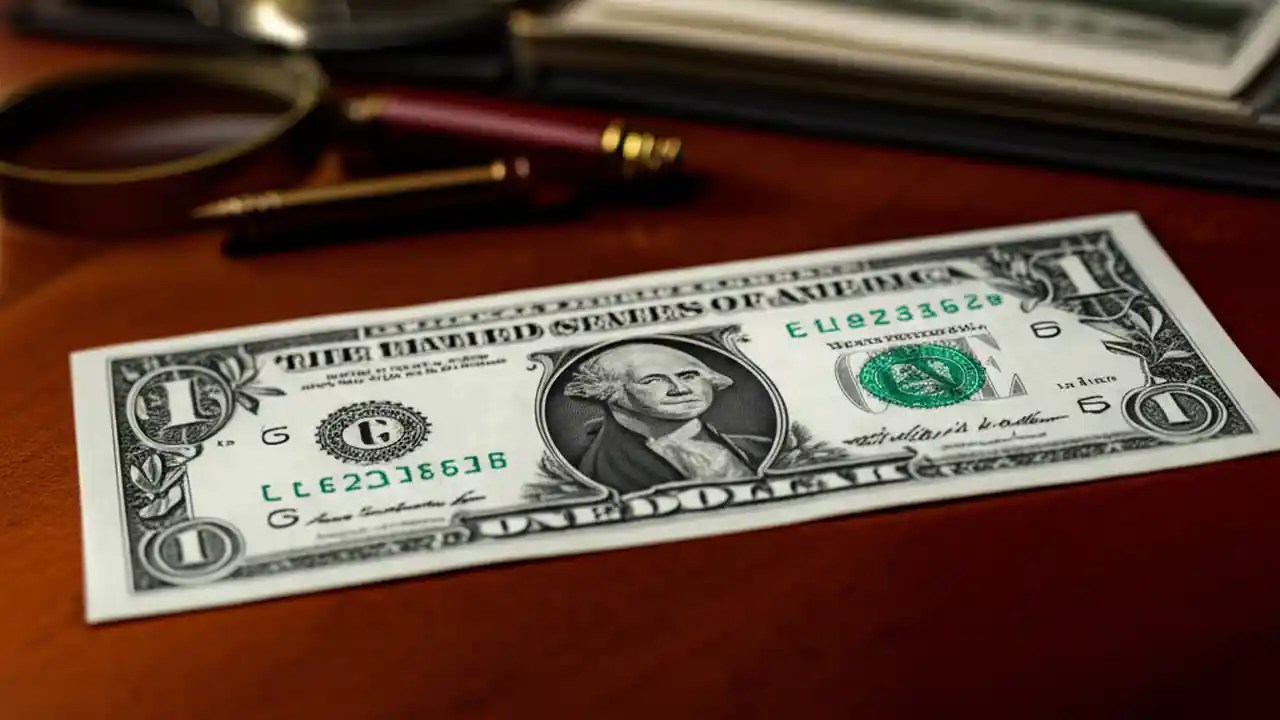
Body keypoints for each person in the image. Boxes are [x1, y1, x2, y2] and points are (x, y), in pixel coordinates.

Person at [564, 342, 772, 495]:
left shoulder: (758, 448)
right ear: (609, 392)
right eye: (653, 380)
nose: (680, 389)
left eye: (689, 375)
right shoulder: (600, 473)